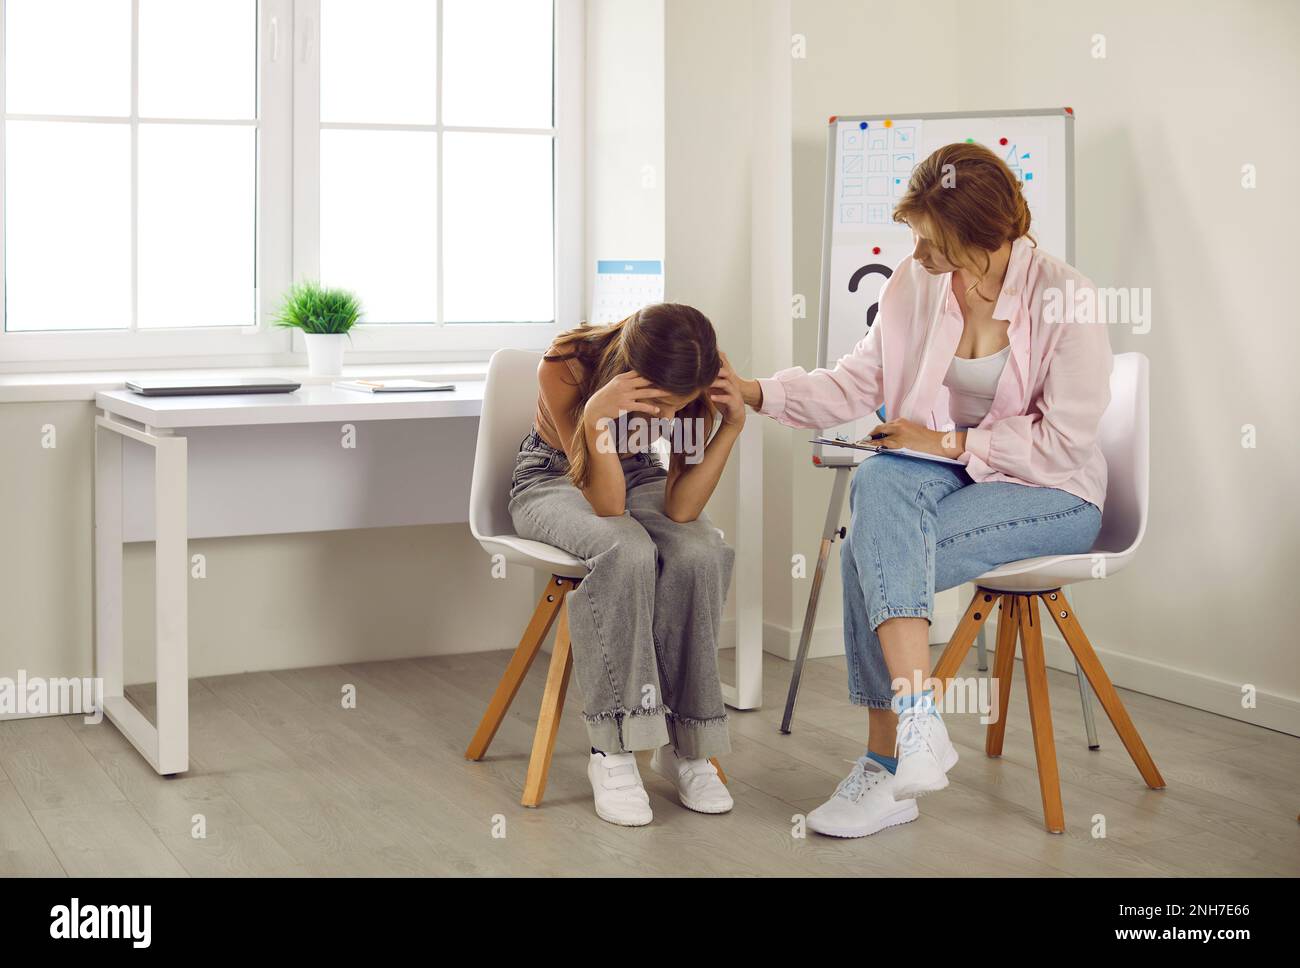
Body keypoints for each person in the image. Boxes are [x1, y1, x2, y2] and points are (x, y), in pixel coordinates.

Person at [737, 142, 1112, 838]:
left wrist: (945, 443)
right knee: (880, 482)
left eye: (934, 241)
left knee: (868, 555)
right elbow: (855, 381)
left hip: (1054, 492)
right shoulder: (915, 282)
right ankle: (918, 724)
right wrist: (758, 391)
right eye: (915, 235)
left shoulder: (1066, 296)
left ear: (988, 237)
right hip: (950, 473)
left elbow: (1064, 444)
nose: (918, 253)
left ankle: (887, 766)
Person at [509, 302, 746, 826]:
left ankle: (688, 743)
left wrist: (728, 429)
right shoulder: (567, 365)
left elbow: (683, 509)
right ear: (633, 373)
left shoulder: (698, 375)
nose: (665, 416)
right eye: (657, 401)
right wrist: (596, 415)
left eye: (677, 405)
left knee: (699, 549)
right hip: (551, 478)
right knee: (628, 548)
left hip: (639, 472)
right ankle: (613, 748)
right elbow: (609, 510)